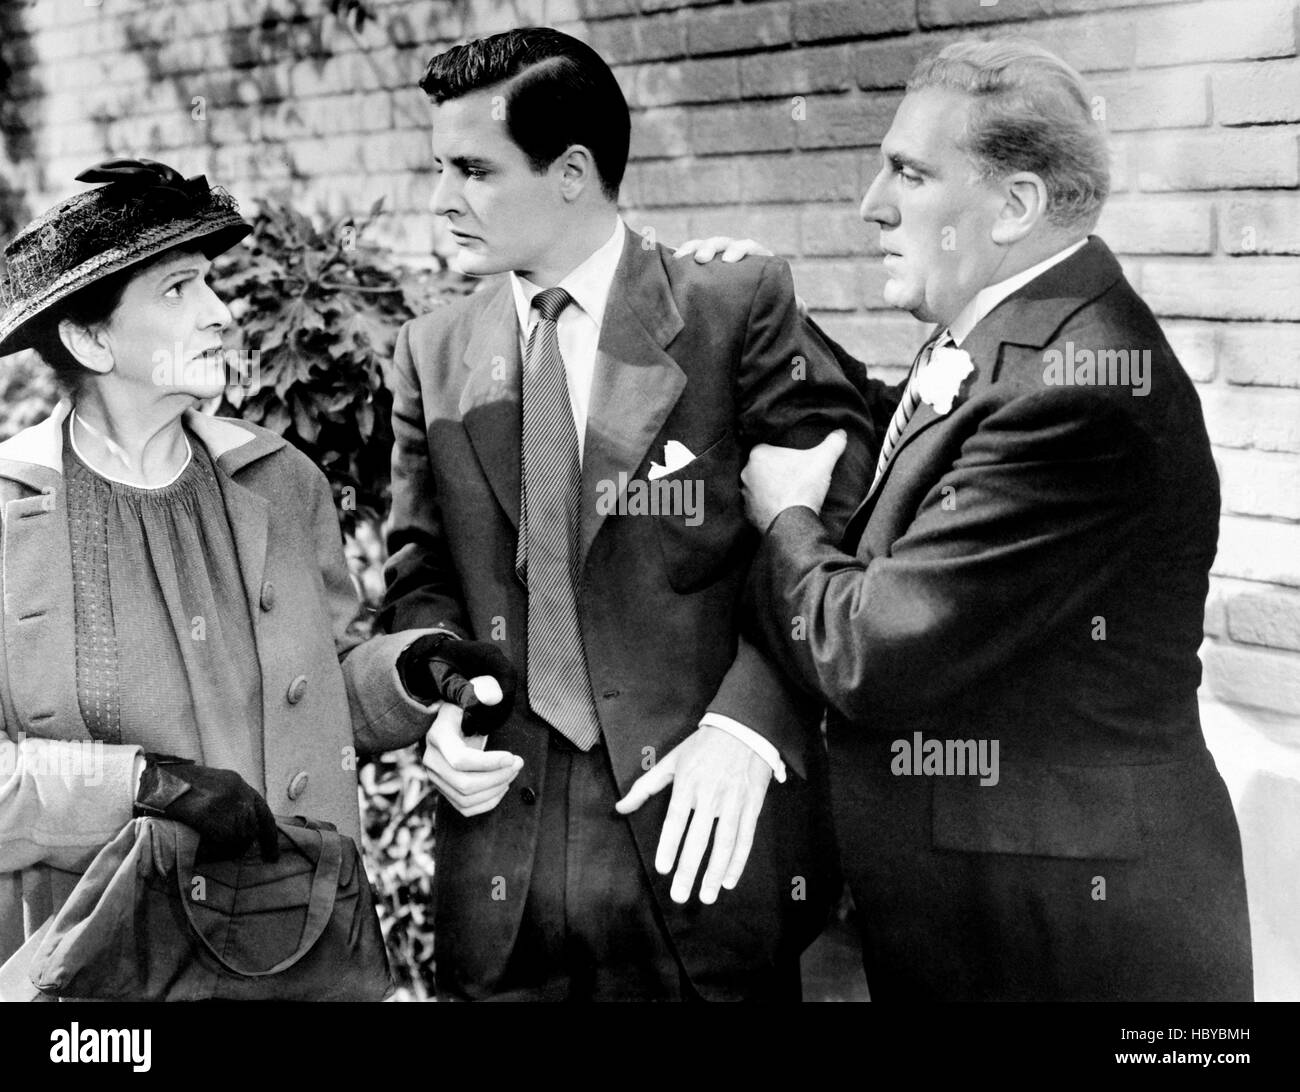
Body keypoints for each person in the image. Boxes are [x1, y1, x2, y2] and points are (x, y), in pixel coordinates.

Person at [727, 38, 1252, 1000]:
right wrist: (763, 313)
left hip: (1062, 937)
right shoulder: (1030, 330)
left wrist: (787, 521)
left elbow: (869, 654)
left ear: (1014, 207)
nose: (870, 205)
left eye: (910, 175)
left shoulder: (1079, 392)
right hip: (1004, 899)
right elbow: (921, 442)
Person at [370, 28, 873, 1000]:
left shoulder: (735, 305)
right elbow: (419, 576)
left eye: (472, 169)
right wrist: (439, 709)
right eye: (437, 167)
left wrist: (749, 725)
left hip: (696, 835)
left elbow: (832, 528)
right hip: (504, 867)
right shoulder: (430, 353)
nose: (440, 200)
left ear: (570, 174)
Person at [0, 158, 448, 996]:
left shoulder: (280, 481)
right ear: (90, 339)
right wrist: (143, 784)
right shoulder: (7, 516)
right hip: (105, 964)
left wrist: (410, 674)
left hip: (284, 945)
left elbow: (328, 688)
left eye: (211, 284)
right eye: (177, 292)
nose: (219, 316)